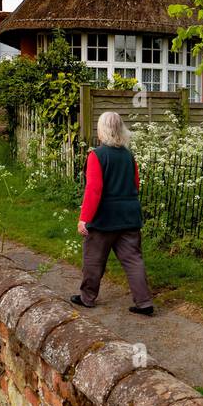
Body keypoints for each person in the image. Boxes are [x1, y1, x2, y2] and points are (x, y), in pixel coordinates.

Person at [72, 111, 154, 316]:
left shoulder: (96, 155)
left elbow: (94, 190)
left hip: (104, 219)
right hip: (129, 216)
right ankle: (144, 303)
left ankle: (87, 298)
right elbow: (135, 184)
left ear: (102, 130)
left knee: (93, 259)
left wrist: (85, 218)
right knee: (133, 259)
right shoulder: (129, 155)